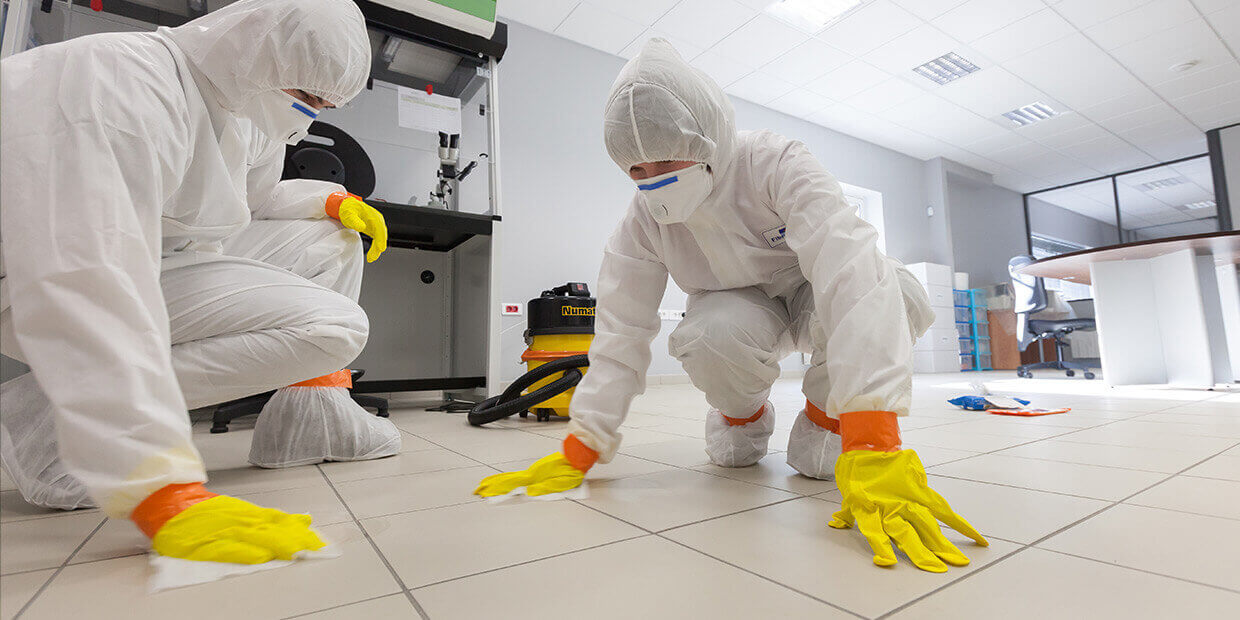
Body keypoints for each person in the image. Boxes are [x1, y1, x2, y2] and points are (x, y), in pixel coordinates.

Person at [475, 39, 987, 573]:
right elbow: (621, 330)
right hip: (734, 314)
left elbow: (848, 270)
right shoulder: (642, 221)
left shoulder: (774, 163)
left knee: (895, 290)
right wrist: (583, 443)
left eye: (667, 159)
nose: (653, 179)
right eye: (636, 168)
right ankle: (742, 416)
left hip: (813, 292)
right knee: (710, 341)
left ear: (708, 135)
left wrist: (874, 434)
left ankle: (824, 419)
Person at [0, 0, 399, 564]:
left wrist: (328, 199)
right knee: (334, 326)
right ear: (255, 50)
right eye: (306, 99)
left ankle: (312, 421)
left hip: (155, 257)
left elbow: (249, 203)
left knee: (327, 238)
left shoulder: (241, 107)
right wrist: (159, 487)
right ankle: (52, 428)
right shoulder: (121, 84)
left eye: (325, 106)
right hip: (27, 281)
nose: (308, 115)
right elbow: (88, 269)